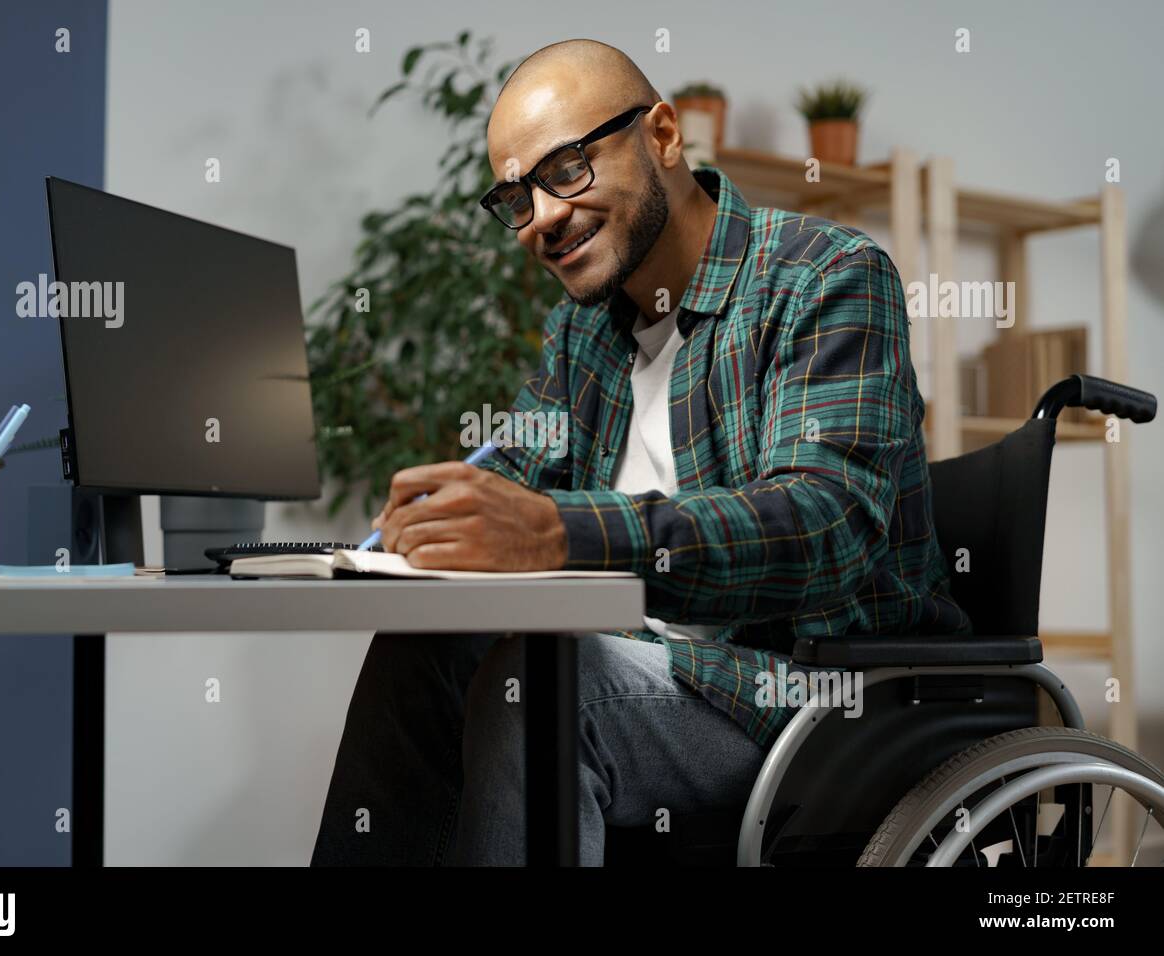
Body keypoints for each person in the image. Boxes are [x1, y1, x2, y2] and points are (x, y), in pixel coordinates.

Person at [312, 38, 969, 866]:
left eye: (565, 169)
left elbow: (825, 526)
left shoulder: (825, 278)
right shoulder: (581, 336)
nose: (541, 218)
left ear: (661, 136)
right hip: (644, 672)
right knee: (427, 652)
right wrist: (433, 530)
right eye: (516, 198)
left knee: (540, 686)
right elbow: (509, 483)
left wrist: (556, 532)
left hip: (809, 695)